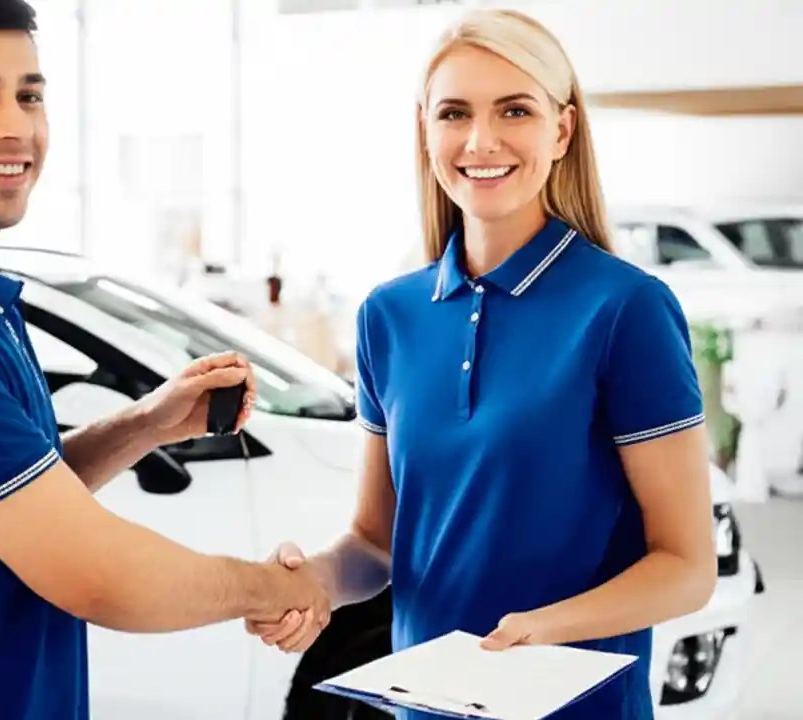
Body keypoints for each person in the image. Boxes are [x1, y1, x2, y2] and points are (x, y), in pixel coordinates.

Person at [0, 2, 330, 719]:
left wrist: (144, 424)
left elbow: (19, 499)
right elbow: (96, 573)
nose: (14, 125)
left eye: (30, 95)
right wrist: (272, 589)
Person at [250, 9, 717, 719]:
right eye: (454, 113)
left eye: (515, 110)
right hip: (426, 707)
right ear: (425, 131)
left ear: (560, 131)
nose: (480, 140)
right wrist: (312, 581)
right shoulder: (389, 316)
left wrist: (542, 629)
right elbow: (376, 543)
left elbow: (685, 569)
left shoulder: (626, 310)